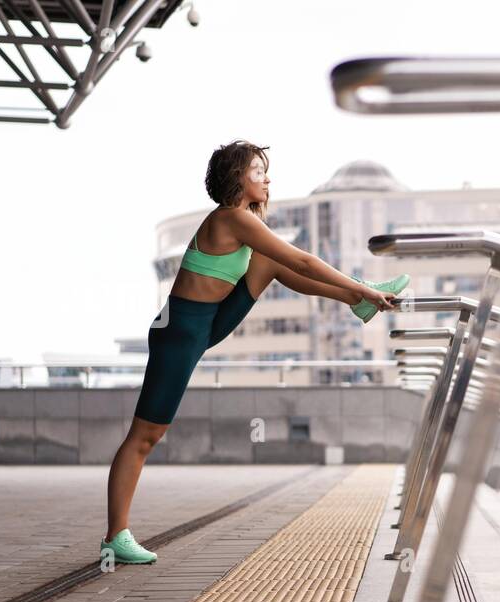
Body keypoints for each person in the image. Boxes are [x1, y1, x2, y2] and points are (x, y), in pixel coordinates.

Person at [102, 139, 408, 564]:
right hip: (180, 332)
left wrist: (357, 291)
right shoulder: (230, 219)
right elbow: (302, 261)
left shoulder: (244, 221)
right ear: (236, 178)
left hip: (206, 322)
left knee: (269, 263)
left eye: (265, 171)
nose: (267, 179)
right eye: (258, 171)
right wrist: (365, 286)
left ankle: (356, 302)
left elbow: (291, 266)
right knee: (146, 436)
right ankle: (116, 536)